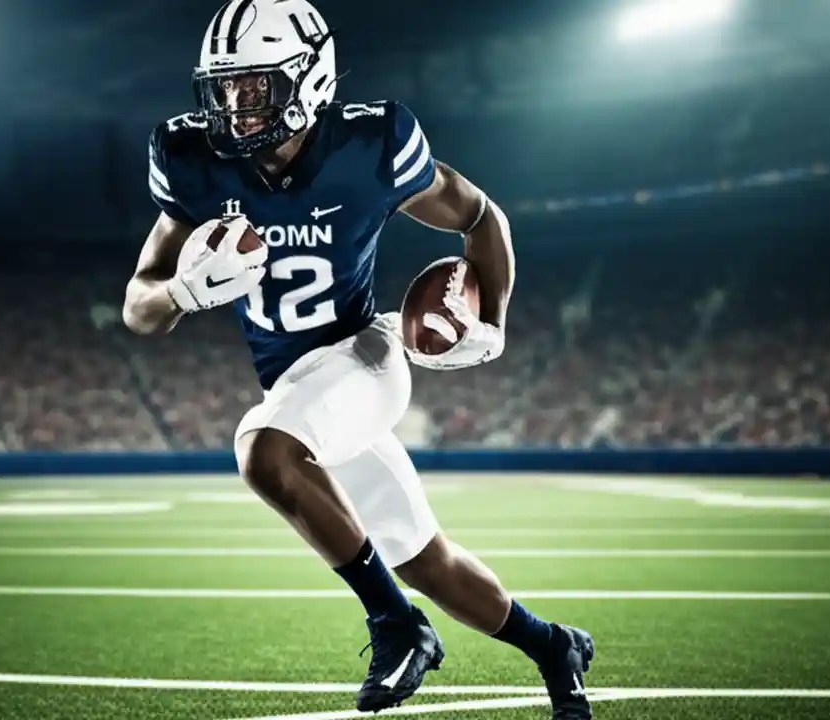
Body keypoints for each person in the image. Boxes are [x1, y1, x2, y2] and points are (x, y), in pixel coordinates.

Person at [122, 2, 594, 716]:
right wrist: (183, 290)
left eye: (254, 87)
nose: (235, 108)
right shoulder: (193, 162)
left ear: (310, 79)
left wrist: (491, 321)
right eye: (223, 89)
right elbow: (137, 304)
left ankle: (396, 627)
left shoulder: (369, 147)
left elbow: (478, 215)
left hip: (362, 356)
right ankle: (553, 645)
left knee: (263, 451)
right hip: (303, 388)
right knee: (422, 557)